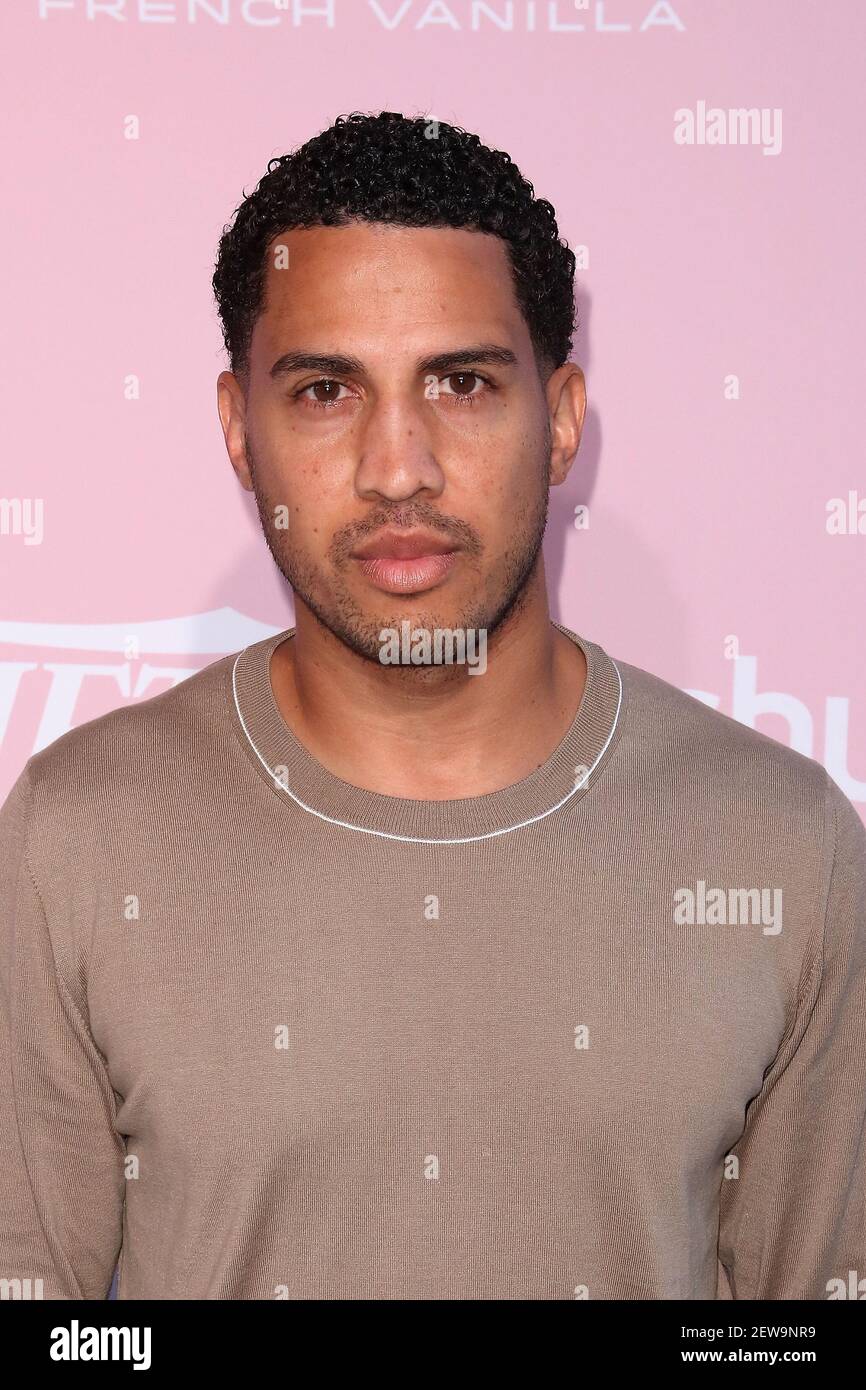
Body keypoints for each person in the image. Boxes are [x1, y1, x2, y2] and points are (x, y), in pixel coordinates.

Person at [1, 111, 864, 1301]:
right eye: (322, 391)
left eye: (460, 383)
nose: (395, 466)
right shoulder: (74, 834)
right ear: (237, 431)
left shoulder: (783, 844)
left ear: (559, 420)